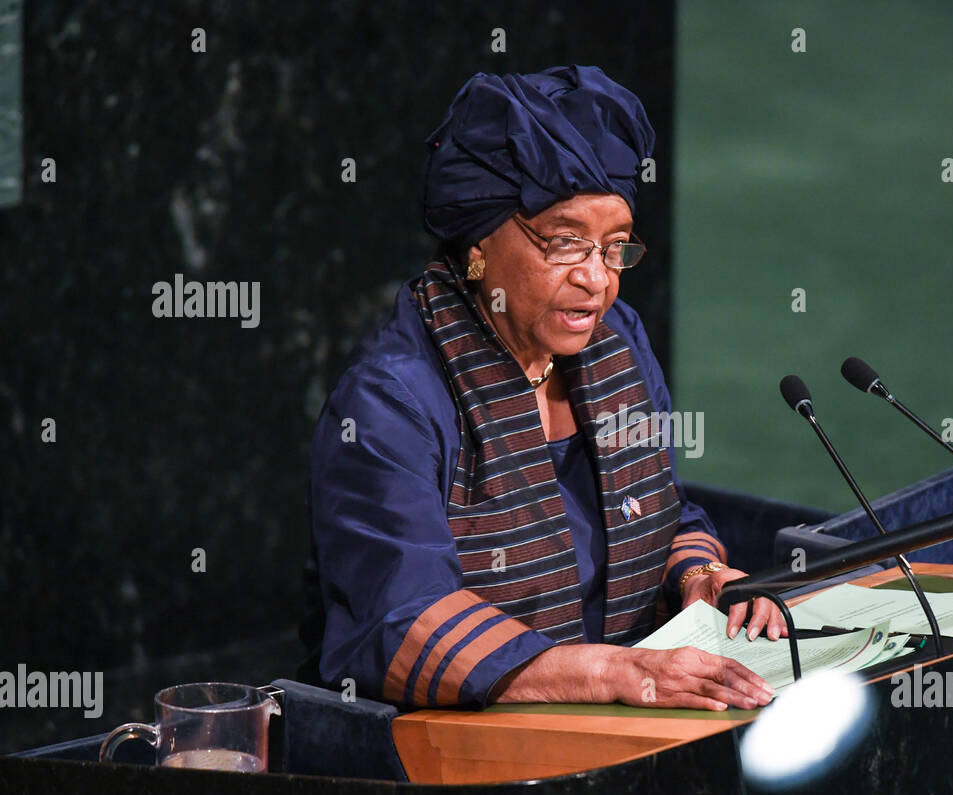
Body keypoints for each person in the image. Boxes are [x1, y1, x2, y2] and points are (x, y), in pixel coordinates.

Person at [298, 66, 782, 712]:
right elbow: (400, 623)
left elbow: (671, 514)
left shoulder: (620, 343)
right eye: (564, 243)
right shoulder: (393, 401)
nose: (596, 281)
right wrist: (616, 674)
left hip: (625, 744)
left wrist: (699, 578)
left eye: (614, 249)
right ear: (479, 247)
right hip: (443, 777)